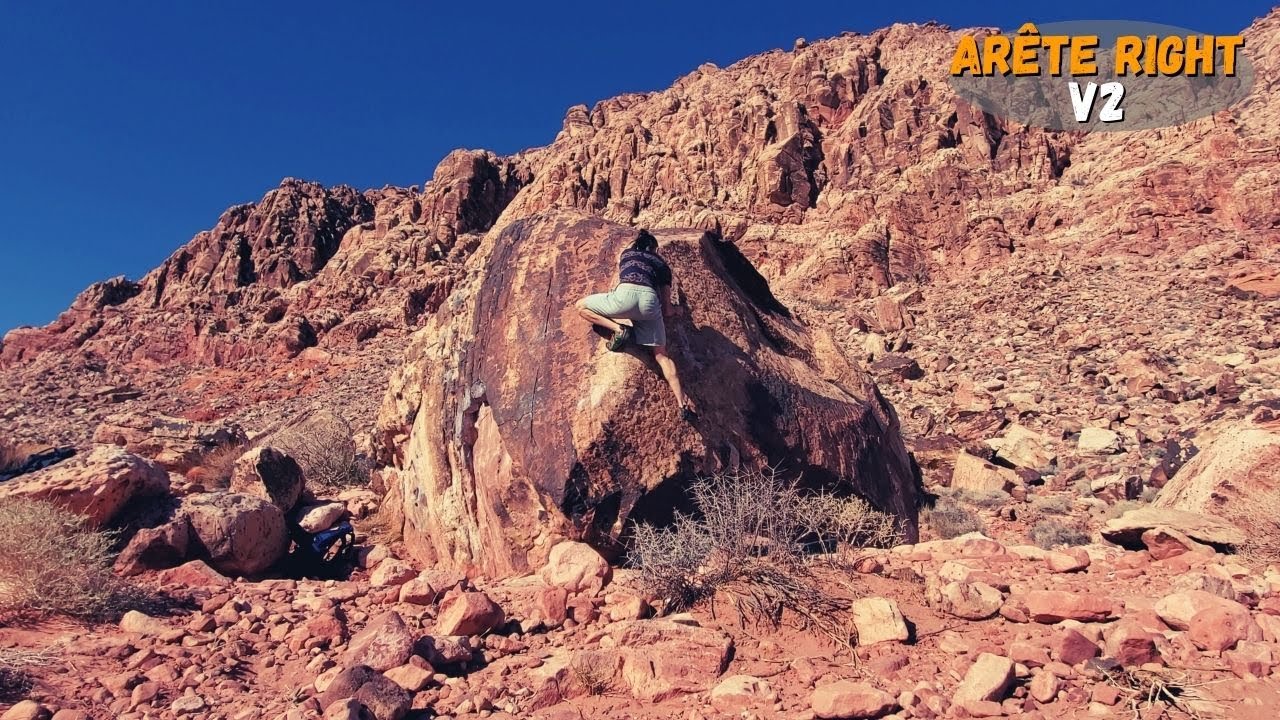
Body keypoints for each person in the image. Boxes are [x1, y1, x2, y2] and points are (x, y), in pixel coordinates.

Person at [575, 229, 696, 421]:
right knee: (662, 356)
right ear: (654, 249)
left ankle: (618, 329)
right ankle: (683, 405)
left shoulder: (627, 254)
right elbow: (666, 310)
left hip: (624, 297)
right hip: (649, 302)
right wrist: (678, 310)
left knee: (581, 306)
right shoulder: (662, 265)